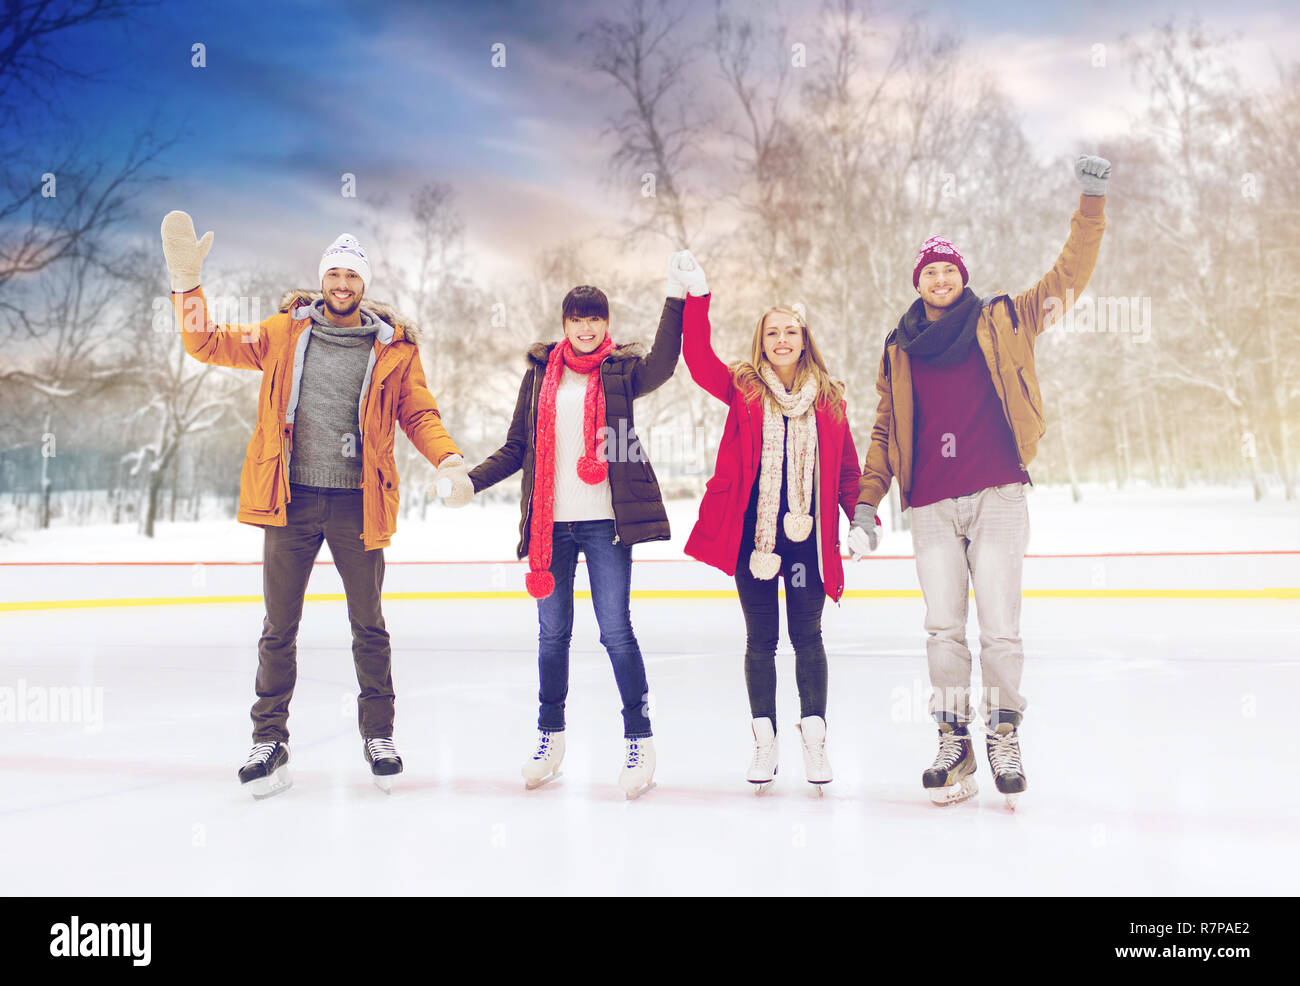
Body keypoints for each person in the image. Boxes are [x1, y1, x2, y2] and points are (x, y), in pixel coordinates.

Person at [161, 213, 472, 798]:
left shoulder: (393, 350)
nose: (341, 283)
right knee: (279, 626)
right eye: (333, 273)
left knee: (369, 626)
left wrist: (448, 460)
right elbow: (205, 343)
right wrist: (186, 284)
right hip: (291, 500)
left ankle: (379, 735)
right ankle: (268, 739)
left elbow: (419, 414)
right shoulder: (282, 333)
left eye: (351, 275)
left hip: (358, 504)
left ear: (363, 285)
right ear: (322, 280)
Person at [848, 156, 1111, 807]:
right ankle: (952, 740)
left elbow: (1068, 277)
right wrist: (865, 505)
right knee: (941, 629)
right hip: (932, 505)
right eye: (929, 271)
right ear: (918, 281)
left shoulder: (1003, 319)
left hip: (997, 491)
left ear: (962, 276)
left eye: (949, 269)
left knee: (999, 629)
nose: (940, 278)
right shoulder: (899, 347)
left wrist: (1091, 202)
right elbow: (885, 431)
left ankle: (1002, 732)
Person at [457, 257, 685, 799]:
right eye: (577, 319)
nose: (586, 328)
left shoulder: (622, 373)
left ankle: (639, 740)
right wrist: (471, 481)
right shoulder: (539, 376)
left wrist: (676, 298)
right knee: (552, 634)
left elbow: (667, 362)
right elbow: (517, 447)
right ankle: (550, 738)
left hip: (605, 523)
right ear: (564, 325)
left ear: (606, 325)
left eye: (595, 319)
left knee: (615, 631)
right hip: (549, 528)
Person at [676, 252, 864, 793]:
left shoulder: (829, 400)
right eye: (772, 332)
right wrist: (697, 296)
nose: (781, 339)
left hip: (807, 547)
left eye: (791, 331)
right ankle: (764, 744)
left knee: (807, 637)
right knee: (761, 641)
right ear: (761, 341)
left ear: (804, 339)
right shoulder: (743, 389)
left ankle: (814, 743)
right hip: (753, 542)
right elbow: (696, 356)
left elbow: (848, 470)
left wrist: (859, 519)